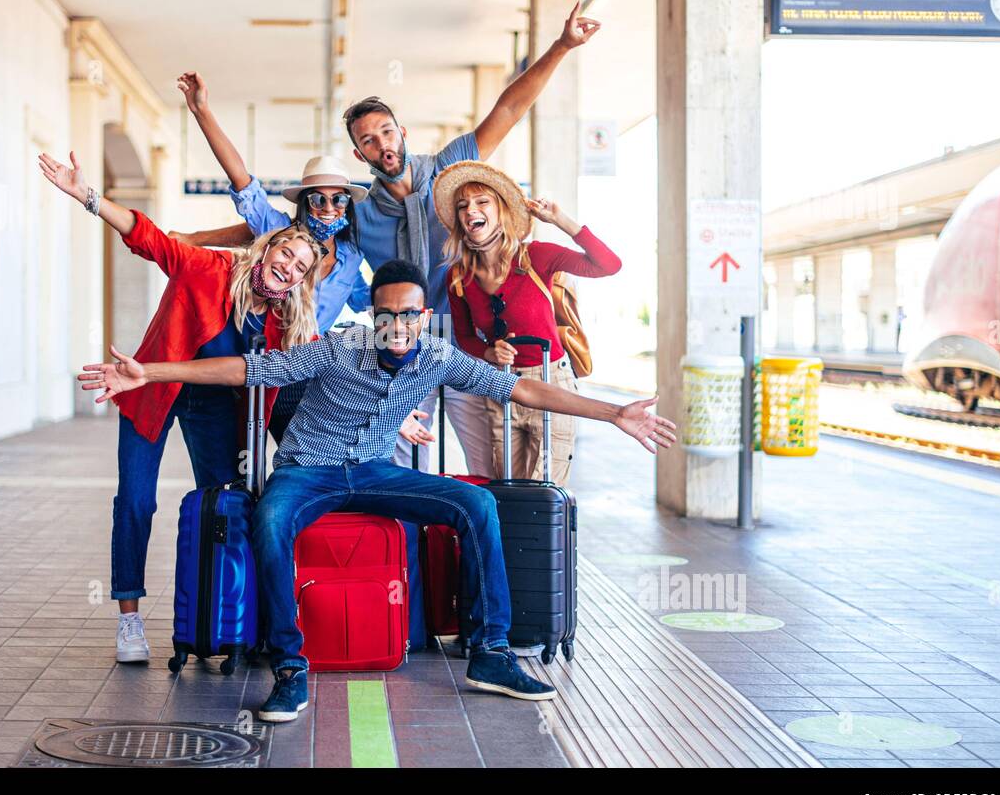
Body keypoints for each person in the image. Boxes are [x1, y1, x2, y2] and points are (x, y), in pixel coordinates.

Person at [78, 259, 677, 723]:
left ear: (423, 315)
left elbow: (520, 389)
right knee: (269, 521)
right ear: (373, 315)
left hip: (373, 472)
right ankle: (289, 665)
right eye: (386, 314)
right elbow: (248, 370)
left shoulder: (436, 357)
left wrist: (614, 413)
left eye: (408, 314)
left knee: (477, 503)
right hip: (307, 470)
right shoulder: (341, 348)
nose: (397, 326)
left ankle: (491, 653)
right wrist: (149, 372)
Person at [37, 149, 325, 665]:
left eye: (301, 267)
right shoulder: (209, 268)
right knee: (136, 501)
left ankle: (223, 615)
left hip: (214, 406)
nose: (289, 266)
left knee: (224, 505)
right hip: (146, 385)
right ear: (266, 249)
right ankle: (129, 619)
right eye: (286, 253)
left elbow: (333, 365)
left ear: (302, 280)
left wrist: (393, 410)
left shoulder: (287, 324)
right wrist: (87, 196)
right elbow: (148, 237)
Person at [341, 2, 602, 477]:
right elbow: (317, 247)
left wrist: (562, 46)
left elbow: (509, 109)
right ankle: (413, 527)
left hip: (469, 344)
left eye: (386, 132)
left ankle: (481, 524)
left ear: (402, 132)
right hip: (400, 345)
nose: (382, 145)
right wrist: (365, 302)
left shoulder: (449, 169)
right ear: (360, 155)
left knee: (489, 463)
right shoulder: (359, 213)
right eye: (369, 141)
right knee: (402, 463)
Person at [171, 72, 377, 442]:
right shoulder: (279, 230)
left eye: (338, 199)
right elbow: (241, 180)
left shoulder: (350, 259)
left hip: (301, 376)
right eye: (318, 198)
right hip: (253, 361)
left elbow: (368, 301)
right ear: (304, 203)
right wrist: (202, 110)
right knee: (240, 461)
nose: (328, 207)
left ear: (348, 205)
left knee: (299, 459)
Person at [435, 160, 621, 485]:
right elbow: (464, 338)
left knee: (544, 492)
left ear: (501, 211)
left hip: (551, 382)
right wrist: (489, 352)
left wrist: (560, 220)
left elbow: (608, 265)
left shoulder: (536, 256)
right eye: (463, 206)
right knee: (508, 489)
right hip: (501, 385)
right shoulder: (459, 277)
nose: (470, 210)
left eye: (481, 202)